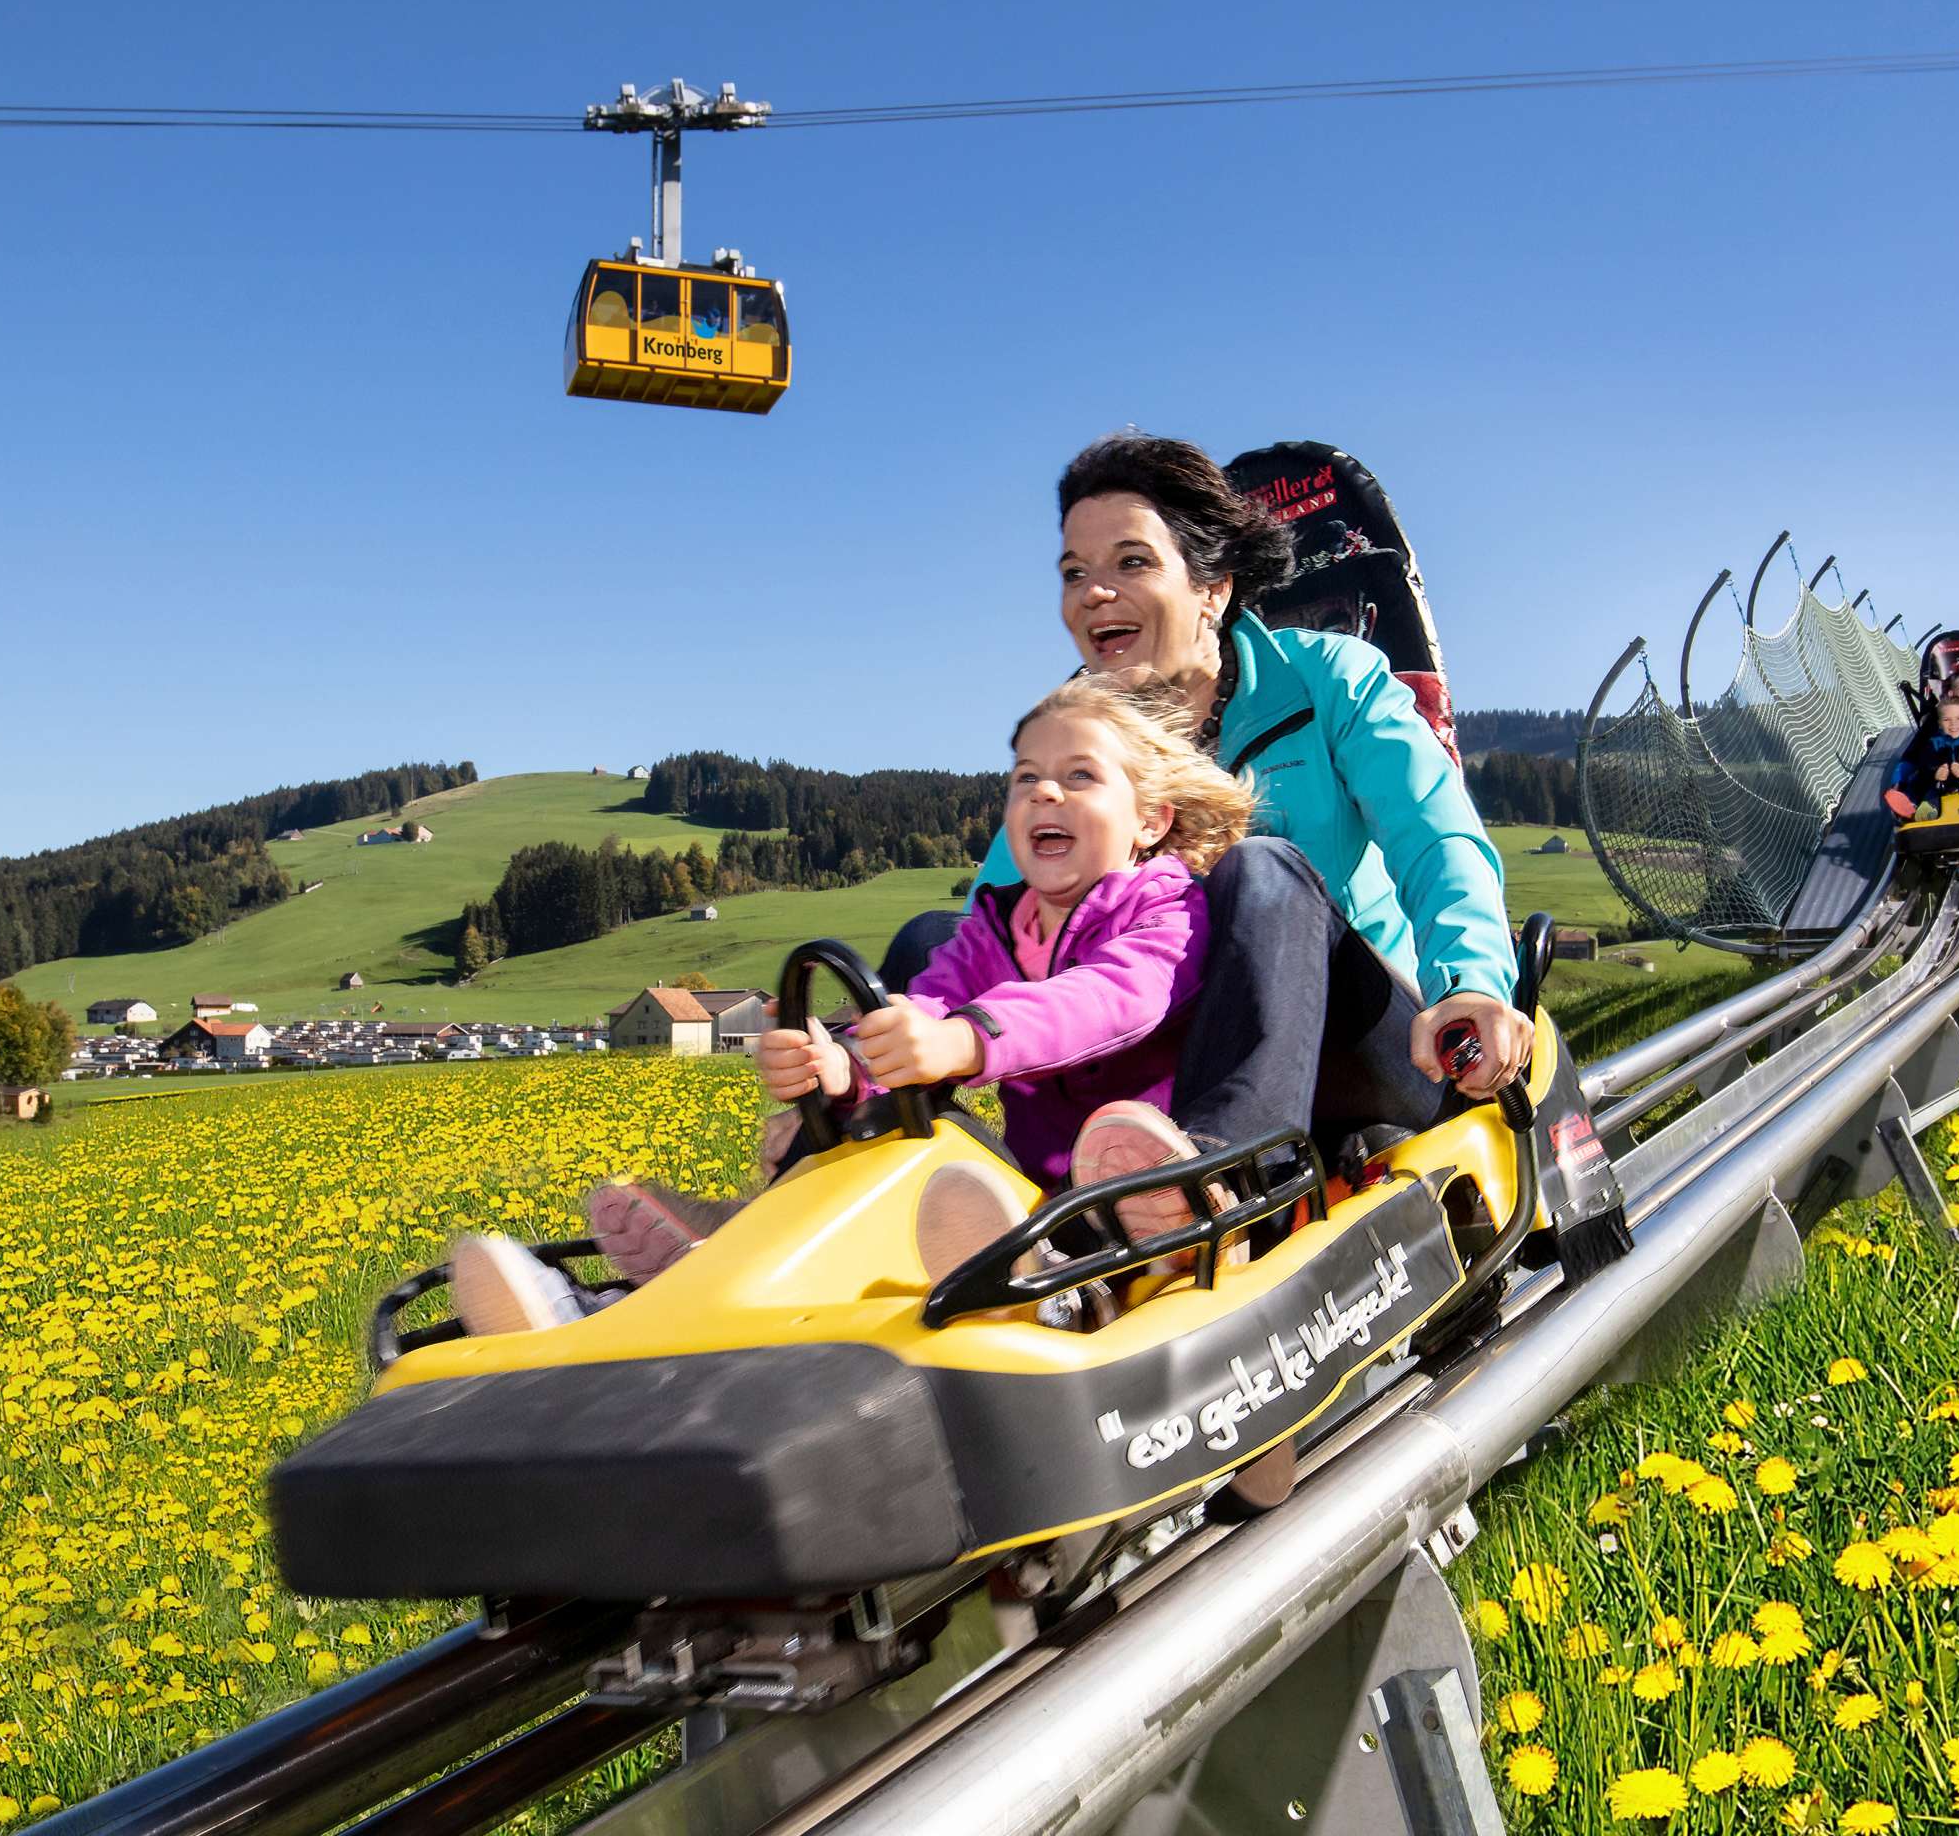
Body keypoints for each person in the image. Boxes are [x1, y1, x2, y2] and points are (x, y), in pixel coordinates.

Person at [587, 431, 1529, 1282]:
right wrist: (856, 1053)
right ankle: (802, 1216)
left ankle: (1220, 1192)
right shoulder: (1082, 751)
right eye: (1075, 572)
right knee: (934, 939)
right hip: (1158, 1086)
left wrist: (1474, 986)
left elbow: (1437, 843)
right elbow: (998, 928)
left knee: (1260, 870)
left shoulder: (1330, 682)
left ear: (1213, 587)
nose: (1093, 595)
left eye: (1131, 563)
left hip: (1355, 1048)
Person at [449, 672, 1253, 1336]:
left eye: (1079, 776)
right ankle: (623, 1308)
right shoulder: (993, 931)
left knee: (1084, 1169)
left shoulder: (1167, 910)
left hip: (1143, 1193)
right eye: (1024, 777)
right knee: (902, 1139)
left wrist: (968, 1039)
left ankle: (1072, 1290)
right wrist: (844, 1067)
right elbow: (921, 1010)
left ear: (1151, 819)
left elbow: (1109, 1000)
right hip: (1030, 1198)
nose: (1045, 791)